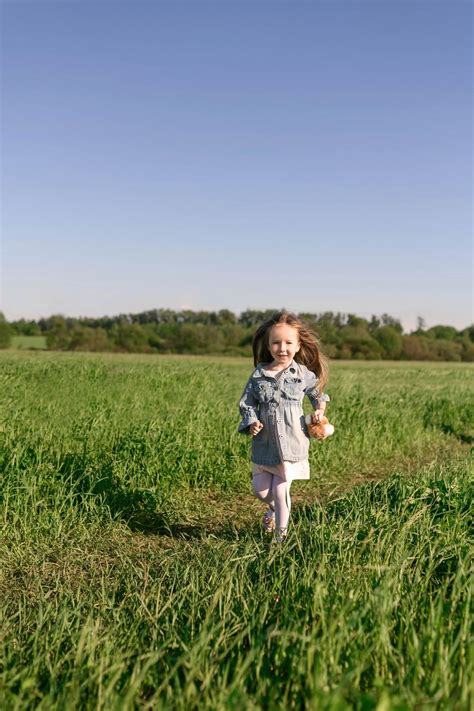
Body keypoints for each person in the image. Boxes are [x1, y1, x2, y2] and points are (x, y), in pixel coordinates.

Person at [238, 311, 330, 543]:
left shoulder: (302, 374)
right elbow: (247, 402)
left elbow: (317, 393)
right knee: (260, 490)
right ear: (269, 346)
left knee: (281, 491)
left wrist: (319, 409)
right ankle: (274, 510)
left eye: (288, 343)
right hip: (265, 443)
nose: (282, 348)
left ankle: (280, 539)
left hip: (291, 440)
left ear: (298, 346)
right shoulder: (259, 374)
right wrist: (251, 422)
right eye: (276, 343)